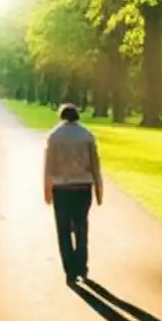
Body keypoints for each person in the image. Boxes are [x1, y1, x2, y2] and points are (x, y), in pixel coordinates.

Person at [43, 103, 103, 284]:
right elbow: (95, 165)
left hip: (61, 188)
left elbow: (48, 166)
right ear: (77, 116)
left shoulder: (53, 136)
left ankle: (69, 270)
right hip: (83, 187)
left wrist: (47, 191)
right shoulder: (87, 135)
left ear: (61, 116)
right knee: (81, 227)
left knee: (63, 230)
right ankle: (82, 266)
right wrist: (99, 190)